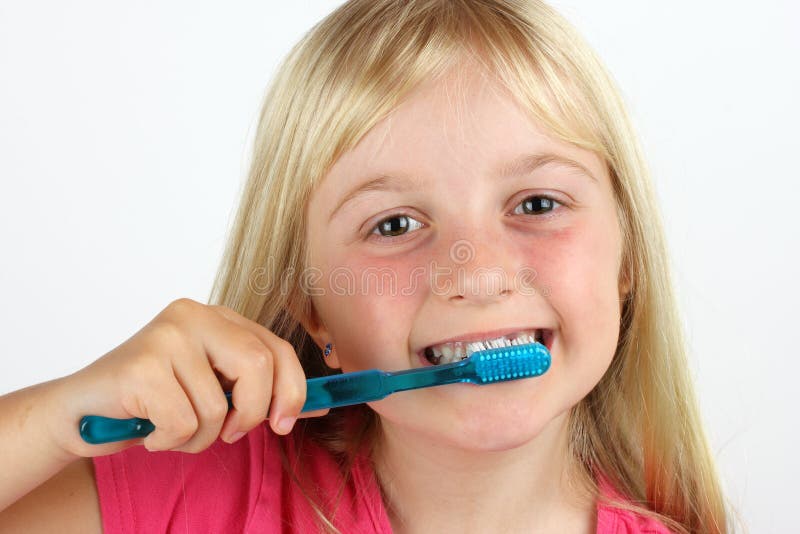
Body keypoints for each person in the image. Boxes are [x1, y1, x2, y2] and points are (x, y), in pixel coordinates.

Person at [0, 1, 734, 532]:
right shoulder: (194, 492)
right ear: (315, 310)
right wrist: (57, 417)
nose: (477, 273)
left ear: (627, 258)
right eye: (395, 224)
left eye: (537, 204)